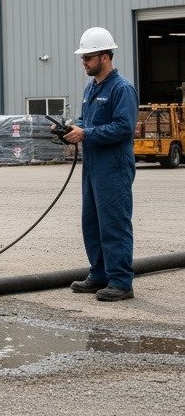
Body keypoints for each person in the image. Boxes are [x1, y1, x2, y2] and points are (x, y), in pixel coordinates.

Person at [60, 27, 139, 301]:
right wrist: (72, 129)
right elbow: (87, 122)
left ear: (105, 57)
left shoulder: (122, 89)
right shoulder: (91, 88)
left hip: (114, 168)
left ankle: (120, 282)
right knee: (91, 222)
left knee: (114, 224)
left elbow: (123, 127)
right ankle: (100, 274)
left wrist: (87, 134)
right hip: (93, 166)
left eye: (88, 58)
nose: (84, 62)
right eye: (83, 58)